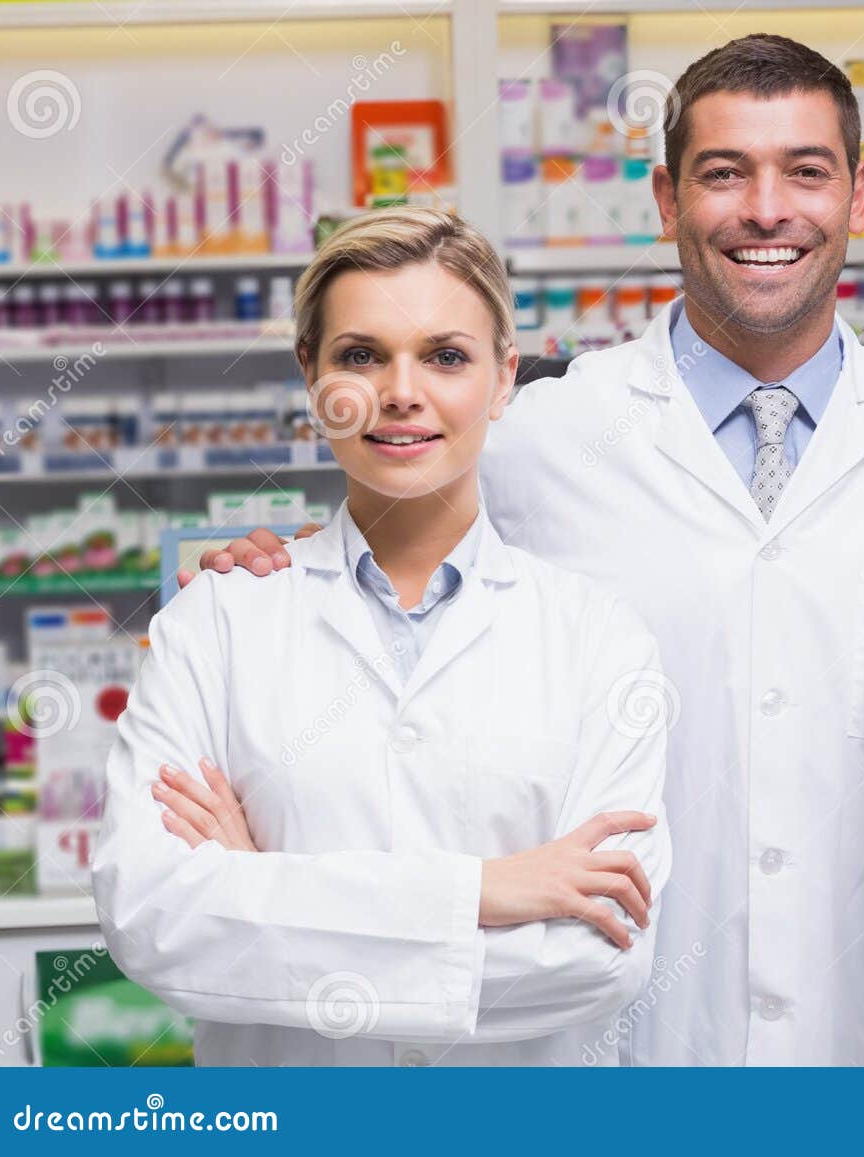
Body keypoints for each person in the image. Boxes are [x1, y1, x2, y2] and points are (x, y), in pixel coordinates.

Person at [189, 38, 864, 1066]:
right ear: (667, 198)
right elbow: (392, 591)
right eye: (724, 173)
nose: (765, 209)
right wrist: (274, 575)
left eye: (805, 172)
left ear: (857, 195)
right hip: (614, 1034)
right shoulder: (538, 439)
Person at [92, 208, 670, 1066]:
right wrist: (485, 891)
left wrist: (258, 887)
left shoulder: (599, 639)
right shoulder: (217, 620)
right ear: (311, 374)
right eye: (361, 355)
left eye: (446, 356)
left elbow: (600, 956)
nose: (401, 391)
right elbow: (153, 918)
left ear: (504, 377)